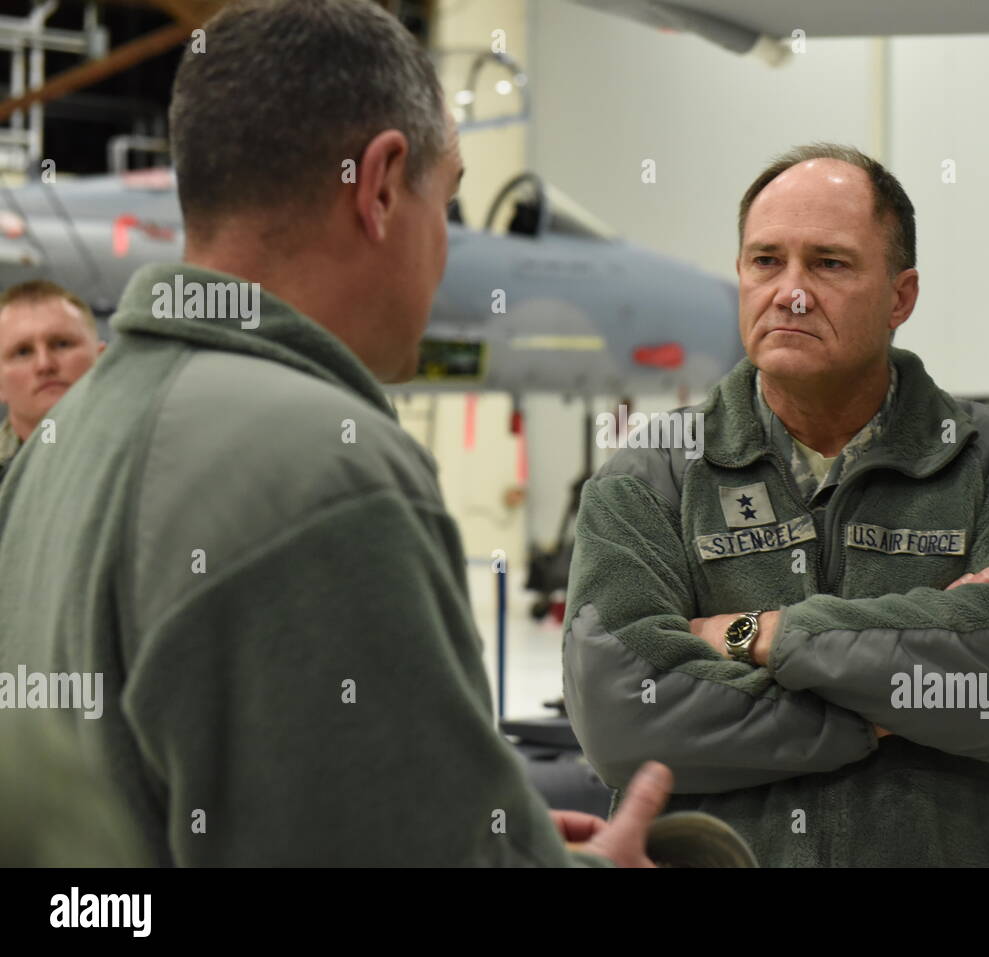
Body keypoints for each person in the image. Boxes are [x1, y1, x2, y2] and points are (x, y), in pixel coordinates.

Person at [0, 0, 672, 867]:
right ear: (382, 184)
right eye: (448, 197)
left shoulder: (60, 451)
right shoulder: (325, 471)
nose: (444, 248)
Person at [563, 143, 989, 867]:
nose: (791, 291)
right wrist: (881, 711)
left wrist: (761, 635)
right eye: (765, 261)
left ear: (900, 297)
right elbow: (621, 712)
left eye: (829, 263)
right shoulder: (652, 474)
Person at [0, 280, 105, 483]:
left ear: (102, 361)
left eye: (62, 344)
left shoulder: (146, 456)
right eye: (23, 352)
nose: (45, 364)